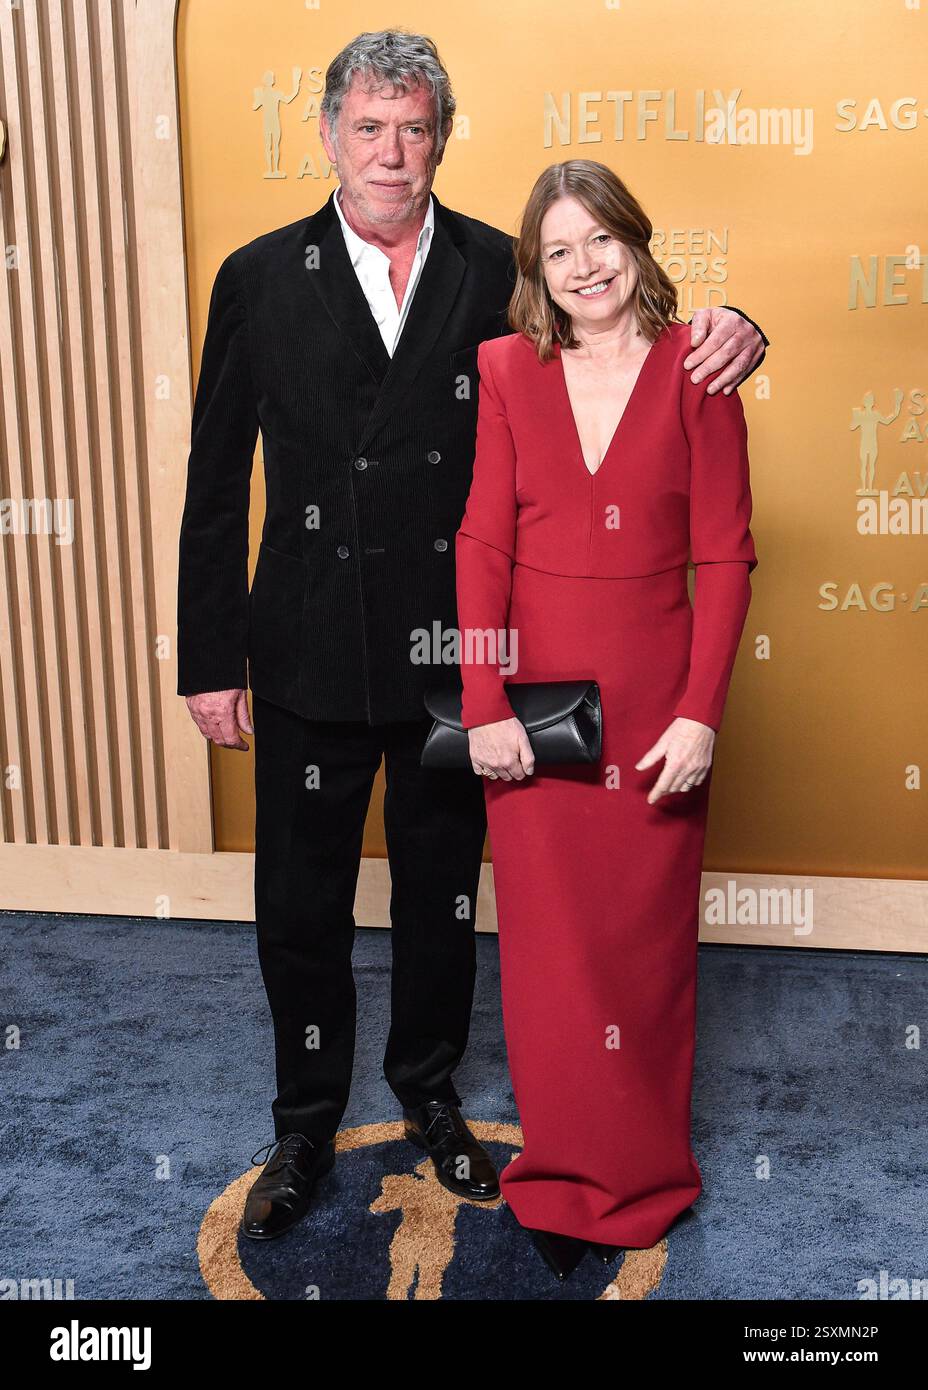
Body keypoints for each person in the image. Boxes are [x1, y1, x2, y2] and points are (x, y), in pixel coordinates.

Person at [176, 31, 768, 1242]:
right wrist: (206, 658)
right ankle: (302, 1122)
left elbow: (625, 337)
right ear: (328, 133)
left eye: (416, 128)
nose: (393, 153)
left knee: (443, 895)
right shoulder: (255, 274)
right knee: (300, 901)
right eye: (369, 127)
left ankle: (431, 1098)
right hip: (302, 645)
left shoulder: (506, 266)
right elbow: (213, 479)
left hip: (458, 659)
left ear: (443, 137)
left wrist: (741, 325)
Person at [455, 159, 759, 1280]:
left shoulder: (702, 367)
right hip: (532, 709)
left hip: (653, 709)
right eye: (558, 248)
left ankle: (643, 1177)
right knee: (545, 953)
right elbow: (482, 541)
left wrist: (701, 714)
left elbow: (725, 554)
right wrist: (483, 699)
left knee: (640, 953)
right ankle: (559, 1172)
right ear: (535, 266)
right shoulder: (504, 368)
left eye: (601, 240)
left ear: (636, 243)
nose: (583, 266)